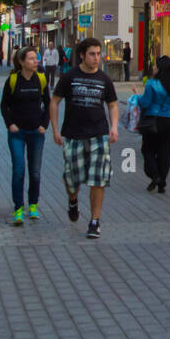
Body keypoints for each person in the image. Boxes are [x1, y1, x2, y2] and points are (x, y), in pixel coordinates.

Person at [50, 37, 119, 240]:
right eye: (92, 54)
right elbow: (54, 102)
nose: (96, 58)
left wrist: (114, 127)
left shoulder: (104, 79)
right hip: (73, 135)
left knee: (98, 179)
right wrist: (55, 130)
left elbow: (113, 104)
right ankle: (73, 201)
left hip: (98, 136)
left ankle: (94, 221)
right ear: (82, 55)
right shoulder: (69, 77)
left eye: (98, 54)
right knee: (73, 180)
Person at [1, 46, 49, 226]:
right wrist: (10, 124)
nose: (36, 61)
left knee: (35, 172)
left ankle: (33, 205)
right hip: (17, 133)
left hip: (36, 133)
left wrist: (44, 125)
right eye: (31, 59)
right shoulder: (13, 80)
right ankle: (18, 208)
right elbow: (4, 105)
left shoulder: (41, 79)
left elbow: (48, 104)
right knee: (19, 170)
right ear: (22, 62)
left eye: (36, 58)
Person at [135, 55, 170, 193]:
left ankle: (154, 175)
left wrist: (136, 95)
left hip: (154, 121)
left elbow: (145, 103)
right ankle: (162, 182)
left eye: (155, 66)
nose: (153, 68)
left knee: (148, 149)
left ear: (160, 69)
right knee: (165, 152)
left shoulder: (151, 84)